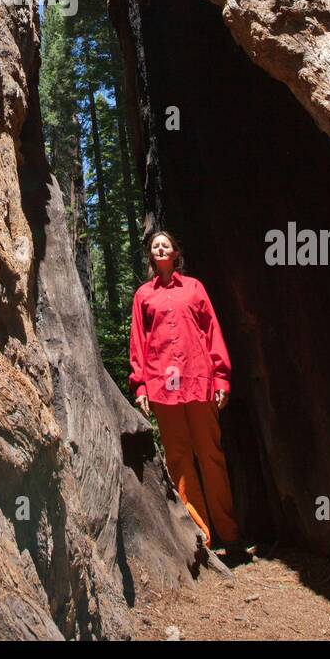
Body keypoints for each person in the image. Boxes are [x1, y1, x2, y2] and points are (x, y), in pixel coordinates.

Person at [129, 228, 251, 560]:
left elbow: (212, 331)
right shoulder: (143, 296)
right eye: (154, 245)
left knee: (211, 455)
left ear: (175, 252)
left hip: (199, 381)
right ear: (151, 255)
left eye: (165, 244)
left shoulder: (194, 288)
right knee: (179, 461)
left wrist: (222, 378)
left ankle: (231, 536)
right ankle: (201, 539)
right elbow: (138, 342)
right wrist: (140, 385)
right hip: (162, 387)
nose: (159, 248)